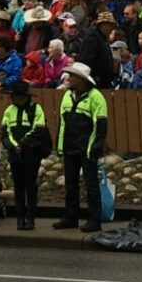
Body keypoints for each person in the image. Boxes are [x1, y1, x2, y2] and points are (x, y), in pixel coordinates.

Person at [53, 62, 108, 233]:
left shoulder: (96, 97)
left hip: (87, 148)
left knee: (91, 184)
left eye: (72, 75)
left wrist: (94, 148)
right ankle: (71, 217)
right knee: (71, 184)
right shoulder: (67, 96)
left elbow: (100, 126)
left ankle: (94, 219)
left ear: (82, 80)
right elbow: (62, 123)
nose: (68, 78)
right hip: (70, 146)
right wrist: (60, 146)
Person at [1, 81, 50, 230]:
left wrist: (22, 144)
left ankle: (30, 217)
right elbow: (5, 131)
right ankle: (20, 218)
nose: (11, 99)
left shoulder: (36, 109)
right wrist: (13, 145)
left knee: (30, 185)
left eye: (14, 96)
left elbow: (38, 130)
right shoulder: (9, 110)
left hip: (31, 154)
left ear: (22, 97)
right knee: (18, 186)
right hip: (15, 154)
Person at [77, 11, 116, 89]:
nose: (111, 29)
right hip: (95, 82)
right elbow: (86, 60)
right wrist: (96, 75)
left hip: (104, 81)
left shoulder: (102, 39)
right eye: (110, 26)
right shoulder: (93, 39)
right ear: (103, 25)